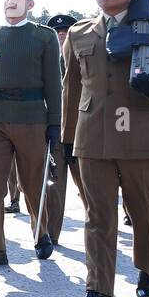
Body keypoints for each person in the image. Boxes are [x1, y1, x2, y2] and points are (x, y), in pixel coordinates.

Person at [62, 0, 149, 297]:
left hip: (140, 134)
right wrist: (66, 139)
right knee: (98, 216)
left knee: (144, 212)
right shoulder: (80, 33)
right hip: (92, 137)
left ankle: (148, 270)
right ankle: (98, 289)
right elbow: (72, 89)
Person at [0, 0, 61, 264]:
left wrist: (55, 123)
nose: (10, 1)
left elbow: (54, 84)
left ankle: (41, 234)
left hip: (32, 117)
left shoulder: (44, 37)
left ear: (30, 4)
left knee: (32, 180)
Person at [44, 13, 84, 243]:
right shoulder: (46, 60)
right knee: (54, 186)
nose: (61, 36)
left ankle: (97, 226)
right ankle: (51, 234)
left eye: (65, 32)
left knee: (88, 186)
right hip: (54, 129)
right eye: (57, 33)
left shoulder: (81, 56)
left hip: (80, 130)